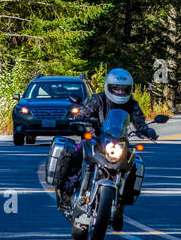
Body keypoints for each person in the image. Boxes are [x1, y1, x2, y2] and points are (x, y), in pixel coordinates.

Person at [59, 68, 157, 209]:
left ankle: (122, 202)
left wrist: (147, 130)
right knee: (76, 154)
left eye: (124, 89)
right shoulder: (99, 99)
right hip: (96, 138)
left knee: (134, 164)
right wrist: (79, 116)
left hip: (120, 141)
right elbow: (87, 110)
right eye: (116, 88)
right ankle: (66, 191)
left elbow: (139, 122)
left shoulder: (132, 104)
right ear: (108, 87)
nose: (120, 92)